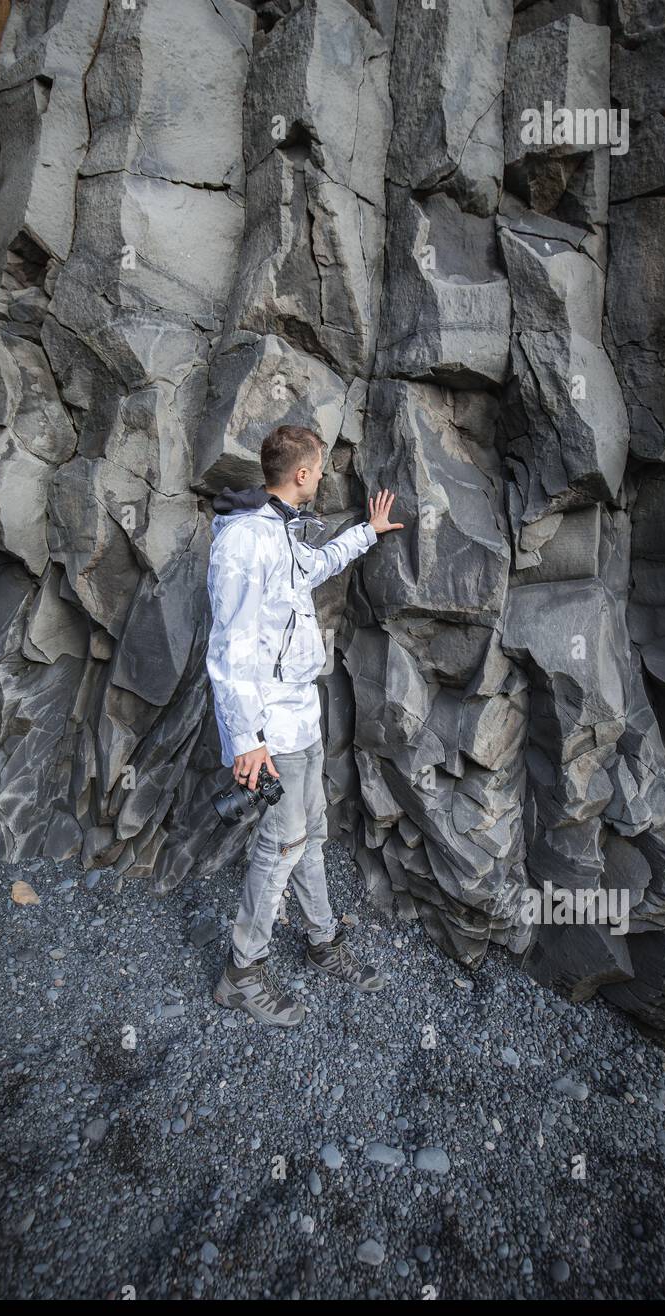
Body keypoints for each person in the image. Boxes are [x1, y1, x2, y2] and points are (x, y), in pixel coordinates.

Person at [205, 424, 404, 1028]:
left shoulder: (281, 531)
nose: (321, 476)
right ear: (301, 474)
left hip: (302, 717)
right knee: (282, 843)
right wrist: (245, 740)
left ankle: (321, 941)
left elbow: (313, 570)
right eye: (319, 468)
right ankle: (242, 973)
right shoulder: (243, 541)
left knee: (310, 834)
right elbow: (230, 646)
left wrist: (368, 533)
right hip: (271, 731)